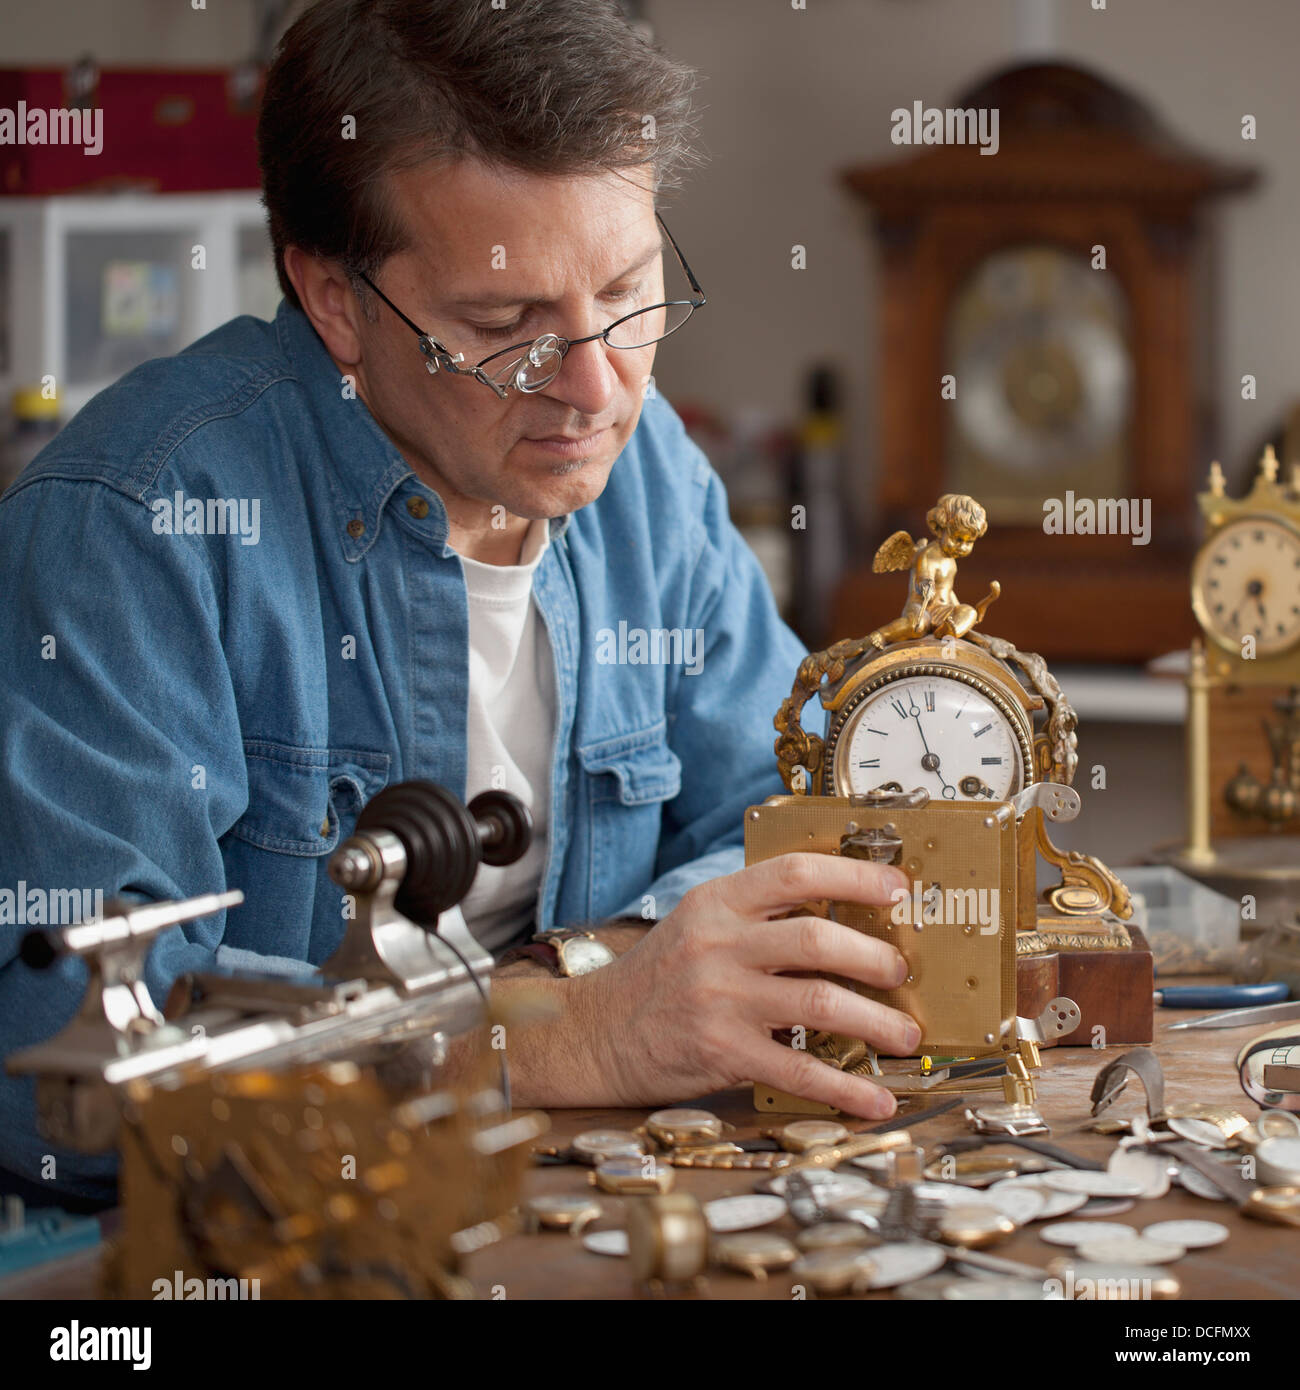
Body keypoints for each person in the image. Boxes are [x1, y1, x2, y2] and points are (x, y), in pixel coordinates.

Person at [0, 0, 918, 1204]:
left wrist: (575, 970)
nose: (594, 387)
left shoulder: (645, 478)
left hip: (573, 1199)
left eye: (629, 294)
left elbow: (781, 826)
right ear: (336, 302)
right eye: (504, 328)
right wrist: (544, 1036)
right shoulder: (131, 526)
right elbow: (59, 1055)